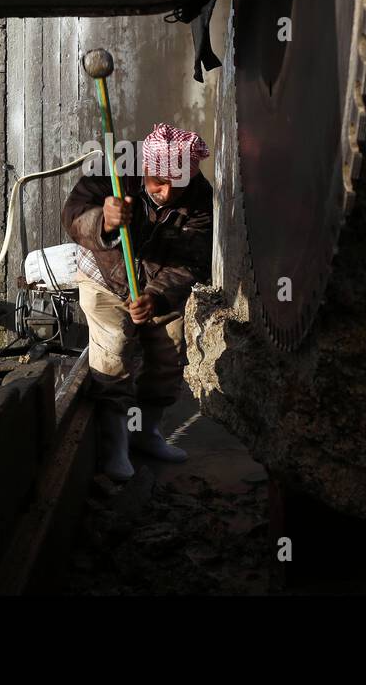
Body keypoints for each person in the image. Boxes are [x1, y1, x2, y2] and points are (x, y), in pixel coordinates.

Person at [62, 123, 214, 481]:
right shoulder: (115, 168)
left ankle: (147, 434)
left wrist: (156, 296)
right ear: (144, 168)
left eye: (177, 185)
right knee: (114, 350)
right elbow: (72, 215)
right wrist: (105, 220)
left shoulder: (198, 194)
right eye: (158, 182)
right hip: (103, 273)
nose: (166, 193)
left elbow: (192, 259)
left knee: (167, 351)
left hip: (156, 282)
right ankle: (115, 444)